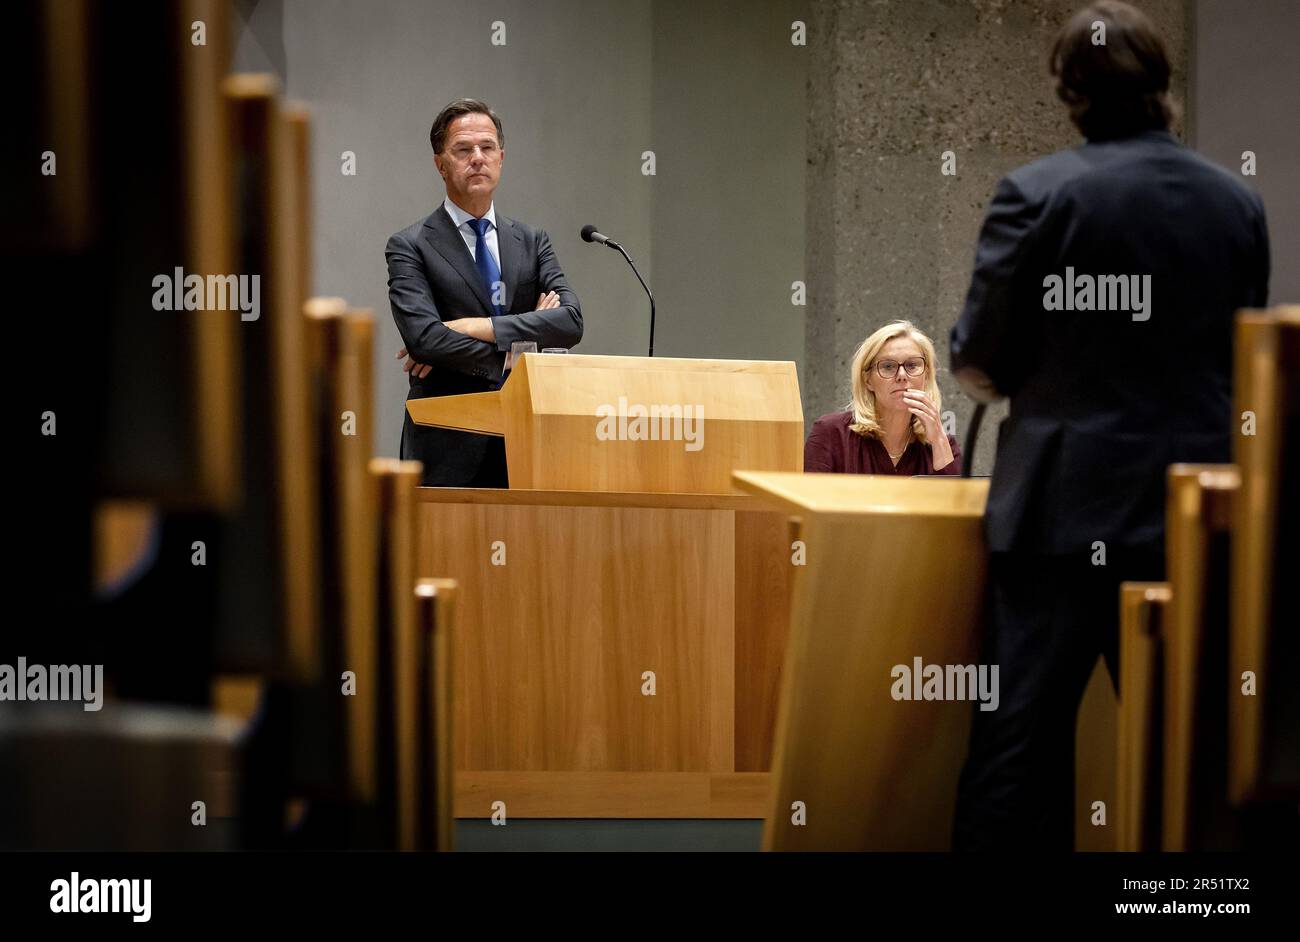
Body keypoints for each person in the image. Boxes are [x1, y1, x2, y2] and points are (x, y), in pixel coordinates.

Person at [949, 0, 1269, 850]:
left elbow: (980, 358)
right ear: (1164, 85)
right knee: (1194, 752)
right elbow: (1243, 363)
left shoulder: (1036, 195)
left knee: (1017, 749)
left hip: (1059, 514)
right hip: (1192, 517)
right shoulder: (1235, 206)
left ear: (1070, 92)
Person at [386, 98, 583, 486]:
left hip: (526, 439)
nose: (477, 157)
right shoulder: (410, 245)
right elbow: (425, 340)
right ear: (440, 164)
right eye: (463, 149)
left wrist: (468, 326)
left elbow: (570, 322)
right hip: (445, 444)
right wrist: (521, 349)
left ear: (501, 158)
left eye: (487, 147)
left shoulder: (531, 240)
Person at [805, 320, 962, 475]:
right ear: (868, 381)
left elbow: (960, 499)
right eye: (888, 366)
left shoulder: (943, 443)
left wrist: (938, 440)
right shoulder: (831, 433)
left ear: (926, 376)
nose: (902, 375)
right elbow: (807, 499)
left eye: (912, 365)